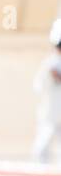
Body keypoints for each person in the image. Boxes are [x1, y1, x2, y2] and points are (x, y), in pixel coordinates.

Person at [32, 20, 61, 163]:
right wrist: (52, 78)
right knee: (42, 147)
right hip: (50, 113)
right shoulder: (50, 64)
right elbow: (38, 86)